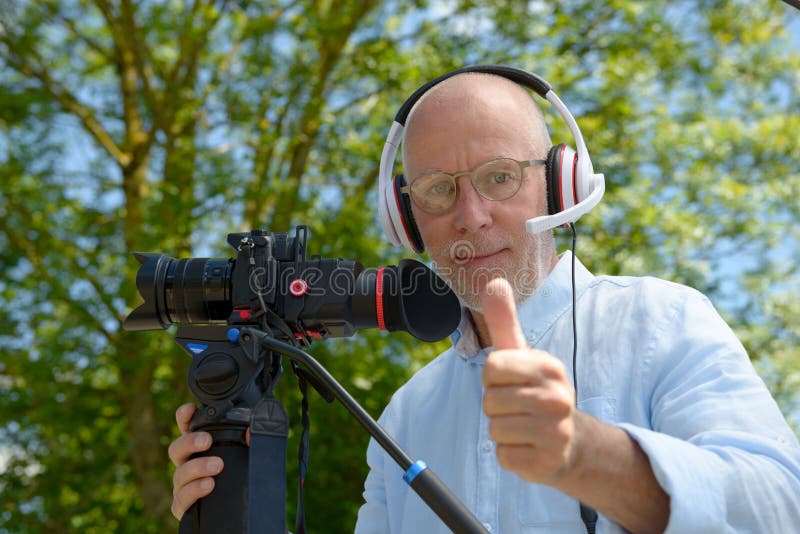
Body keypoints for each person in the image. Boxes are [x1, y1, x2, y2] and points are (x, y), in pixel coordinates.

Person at [169, 70, 800, 532]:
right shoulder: (404, 416)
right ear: (407, 219)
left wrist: (587, 456)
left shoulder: (664, 321)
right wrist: (235, 509)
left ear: (558, 184)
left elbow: (779, 507)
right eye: (439, 190)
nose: (471, 216)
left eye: (500, 176)